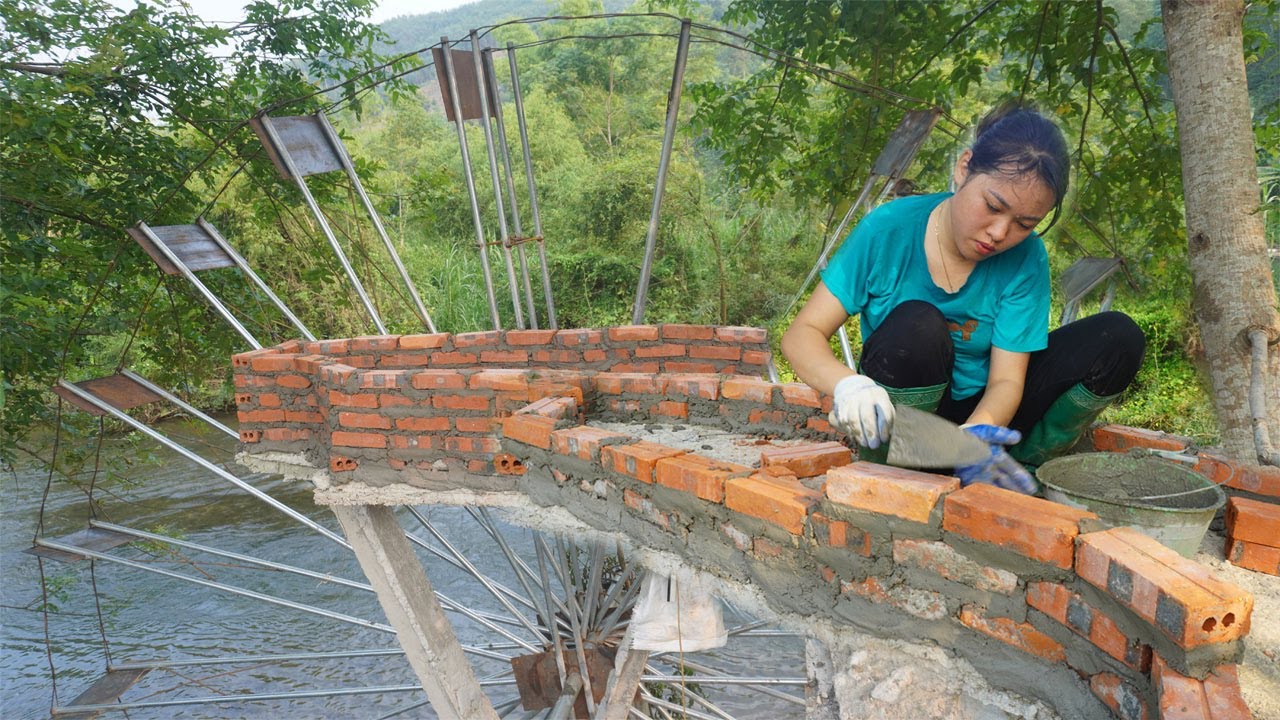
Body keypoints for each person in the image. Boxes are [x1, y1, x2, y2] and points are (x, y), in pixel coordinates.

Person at [781, 103, 1145, 493]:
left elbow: (1007, 379)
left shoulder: (1025, 259)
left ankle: (1022, 464)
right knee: (917, 322)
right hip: (907, 419)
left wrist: (974, 437)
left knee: (1117, 336)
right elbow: (803, 333)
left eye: (1025, 224)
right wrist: (848, 385)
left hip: (983, 419)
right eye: (993, 207)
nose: (999, 233)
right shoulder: (887, 229)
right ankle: (901, 466)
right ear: (964, 167)